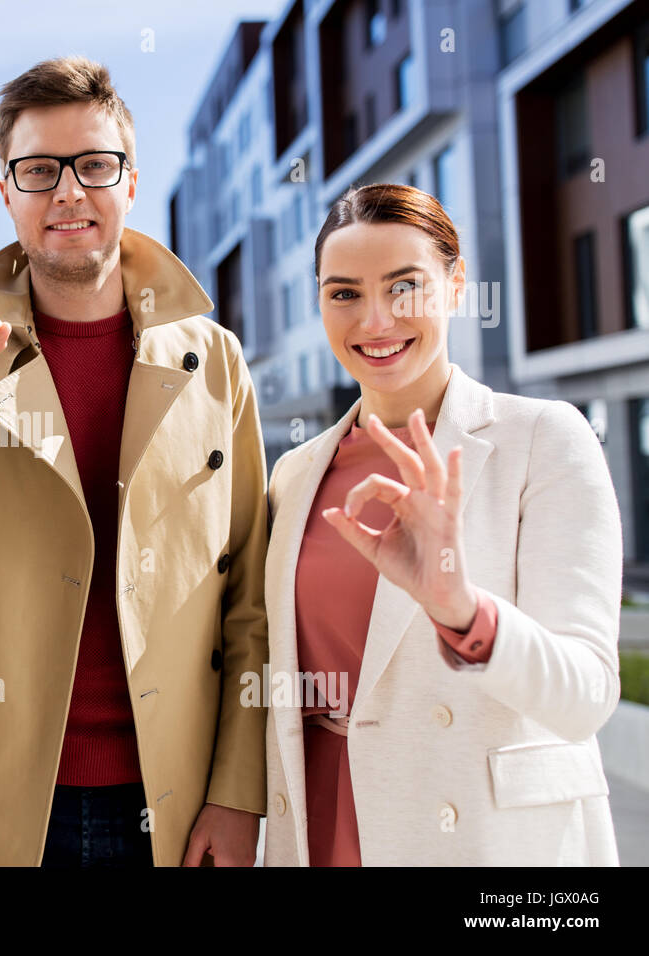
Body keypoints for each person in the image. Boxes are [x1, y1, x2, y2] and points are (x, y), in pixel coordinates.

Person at [0, 56, 270, 866]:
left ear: (132, 182)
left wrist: (235, 790)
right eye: (39, 170)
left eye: (94, 165)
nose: (69, 192)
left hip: (174, 798)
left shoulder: (213, 360)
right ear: (5, 191)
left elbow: (248, 601)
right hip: (4, 802)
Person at [263, 183, 621, 866]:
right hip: (324, 824)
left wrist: (462, 611)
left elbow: (585, 697)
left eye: (405, 286)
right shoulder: (295, 474)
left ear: (456, 286)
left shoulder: (543, 438)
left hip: (483, 841)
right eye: (344, 293)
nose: (375, 320)